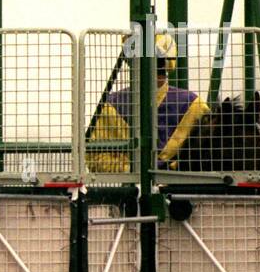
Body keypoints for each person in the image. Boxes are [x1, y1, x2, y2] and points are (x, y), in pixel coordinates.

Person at [86, 32, 206, 173]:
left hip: (176, 185)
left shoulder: (193, 105)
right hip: (135, 186)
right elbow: (95, 156)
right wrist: (133, 171)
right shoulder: (193, 104)